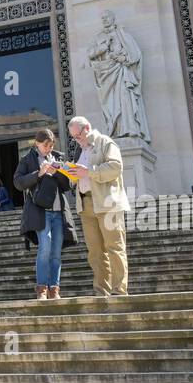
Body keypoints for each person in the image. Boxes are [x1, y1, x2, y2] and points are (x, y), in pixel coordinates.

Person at [67, 115, 131, 296]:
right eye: (73, 137)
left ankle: (119, 289)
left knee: (114, 246)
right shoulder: (81, 150)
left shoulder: (105, 142)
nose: (76, 139)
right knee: (95, 251)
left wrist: (89, 171)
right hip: (85, 204)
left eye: (78, 135)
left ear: (87, 128)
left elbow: (115, 167)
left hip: (107, 203)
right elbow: (81, 175)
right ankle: (101, 290)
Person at [13, 129, 78, 300]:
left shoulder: (59, 158)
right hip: (40, 212)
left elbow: (69, 185)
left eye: (51, 145)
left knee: (56, 252)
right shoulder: (27, 160)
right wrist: (38, 174)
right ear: (37, 143)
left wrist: (58, 174)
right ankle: (41, 288)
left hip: (59, 212)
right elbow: (18, 182)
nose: (48, 148)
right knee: (45, 249)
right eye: (45, 145)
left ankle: (54, 289)